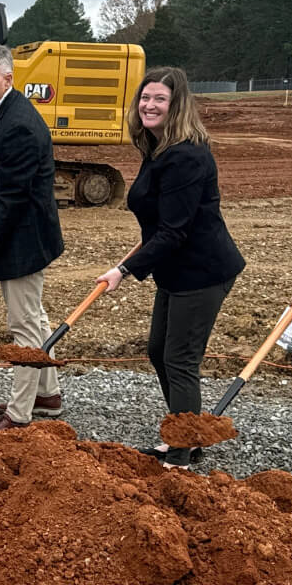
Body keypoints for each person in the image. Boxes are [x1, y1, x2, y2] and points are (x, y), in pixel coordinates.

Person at [97, 66, 244, 466]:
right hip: (176, 268)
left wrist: (123, 271)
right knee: (159, 350)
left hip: (201, 270)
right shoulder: (157, 148)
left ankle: (181, 449)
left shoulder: (185, 157)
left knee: (180, 357)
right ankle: (188, 432)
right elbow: (163, 223)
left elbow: (175, 231)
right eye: (145, 98)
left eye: (159, 99)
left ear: (176, 105)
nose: (149, 104)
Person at [0, 43, 65, 428]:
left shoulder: (18, 125)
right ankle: (48, 396)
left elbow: (12, 200)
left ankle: (20, 415)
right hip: (24, 235)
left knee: (23, 325)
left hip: (23, 240)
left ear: (8, 79)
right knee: (34, 316)